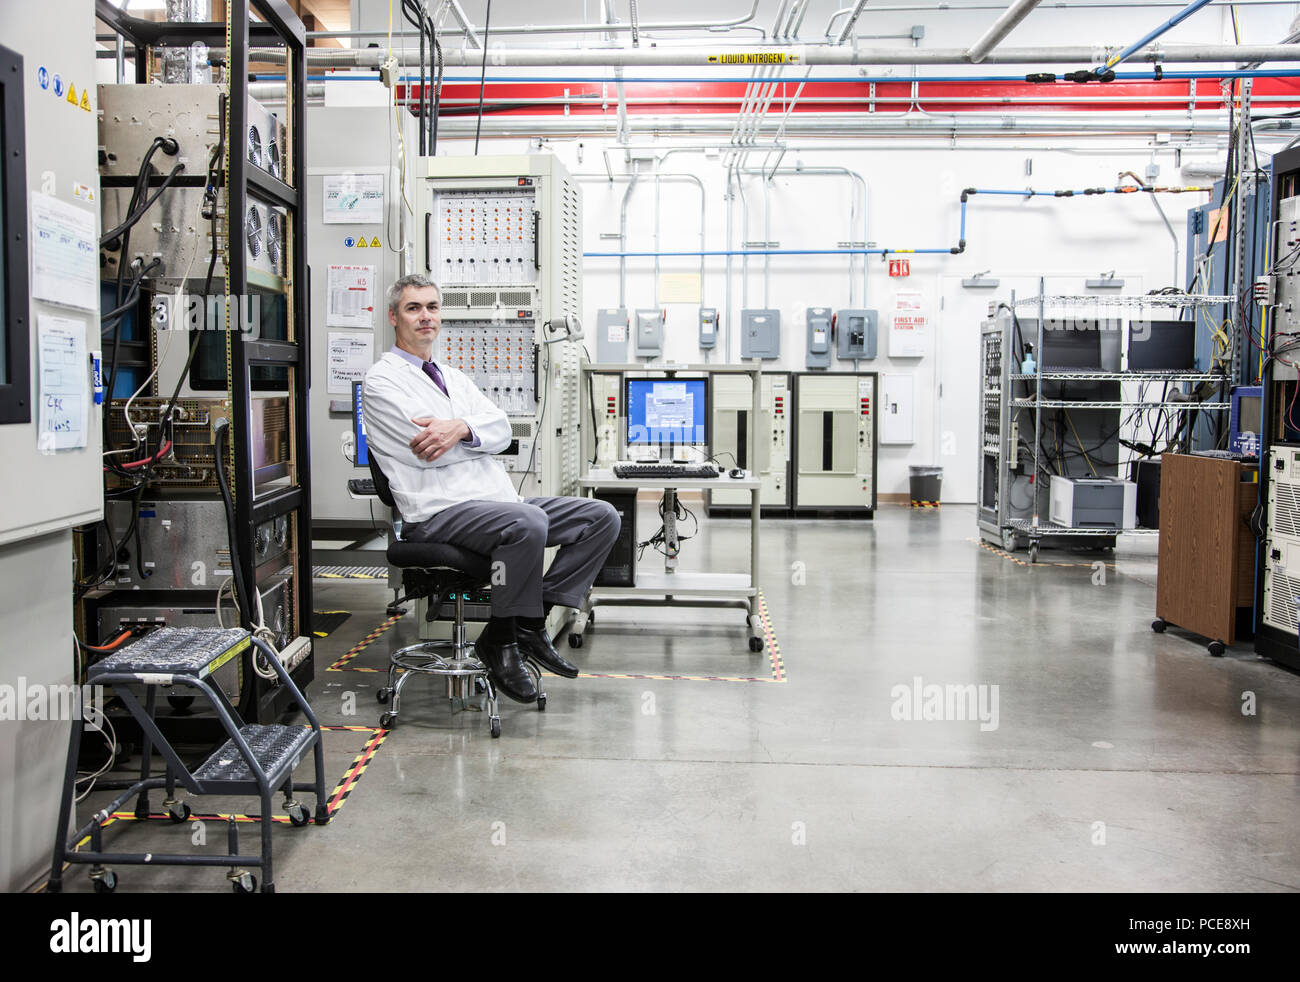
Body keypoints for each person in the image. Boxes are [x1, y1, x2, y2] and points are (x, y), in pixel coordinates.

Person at [362, 274, 620, 704]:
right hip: (438, 513)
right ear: (394, 317)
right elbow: (429, 452)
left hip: (495, 504)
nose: (426, 317)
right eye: (413, 308)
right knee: (529, 522)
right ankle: (501, 643)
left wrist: (461, 428)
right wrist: (474, 441)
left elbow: (504, 432)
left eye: (432, 307)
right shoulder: (381, 382)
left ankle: (527, 625)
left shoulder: (453, 377)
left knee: (601, 518)